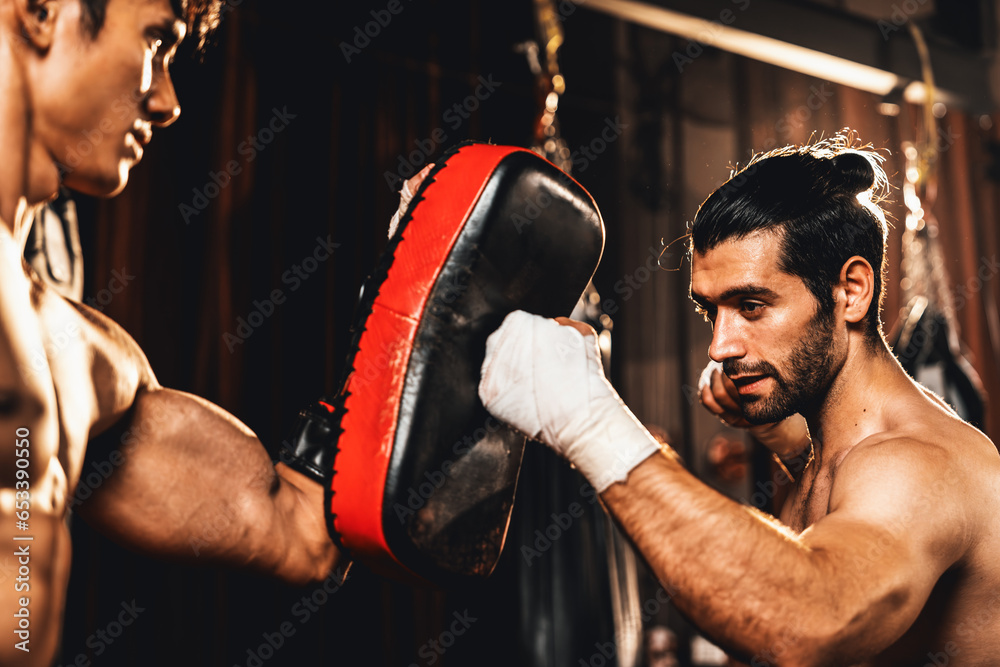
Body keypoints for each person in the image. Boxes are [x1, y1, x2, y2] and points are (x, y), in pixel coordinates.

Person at [479, 134, 1000, 664]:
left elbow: (809, 621)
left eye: (751, 306)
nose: (719, 347)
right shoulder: (833, 459)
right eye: (712, 312)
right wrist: (792, 443)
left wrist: (587, 419)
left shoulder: (918, 464)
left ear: (852, 291)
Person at [0, 1, 357, 663]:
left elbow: (302, 534)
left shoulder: (80, 359)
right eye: (156, 42)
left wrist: (434, 328)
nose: (167, 102)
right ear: (42, 10)